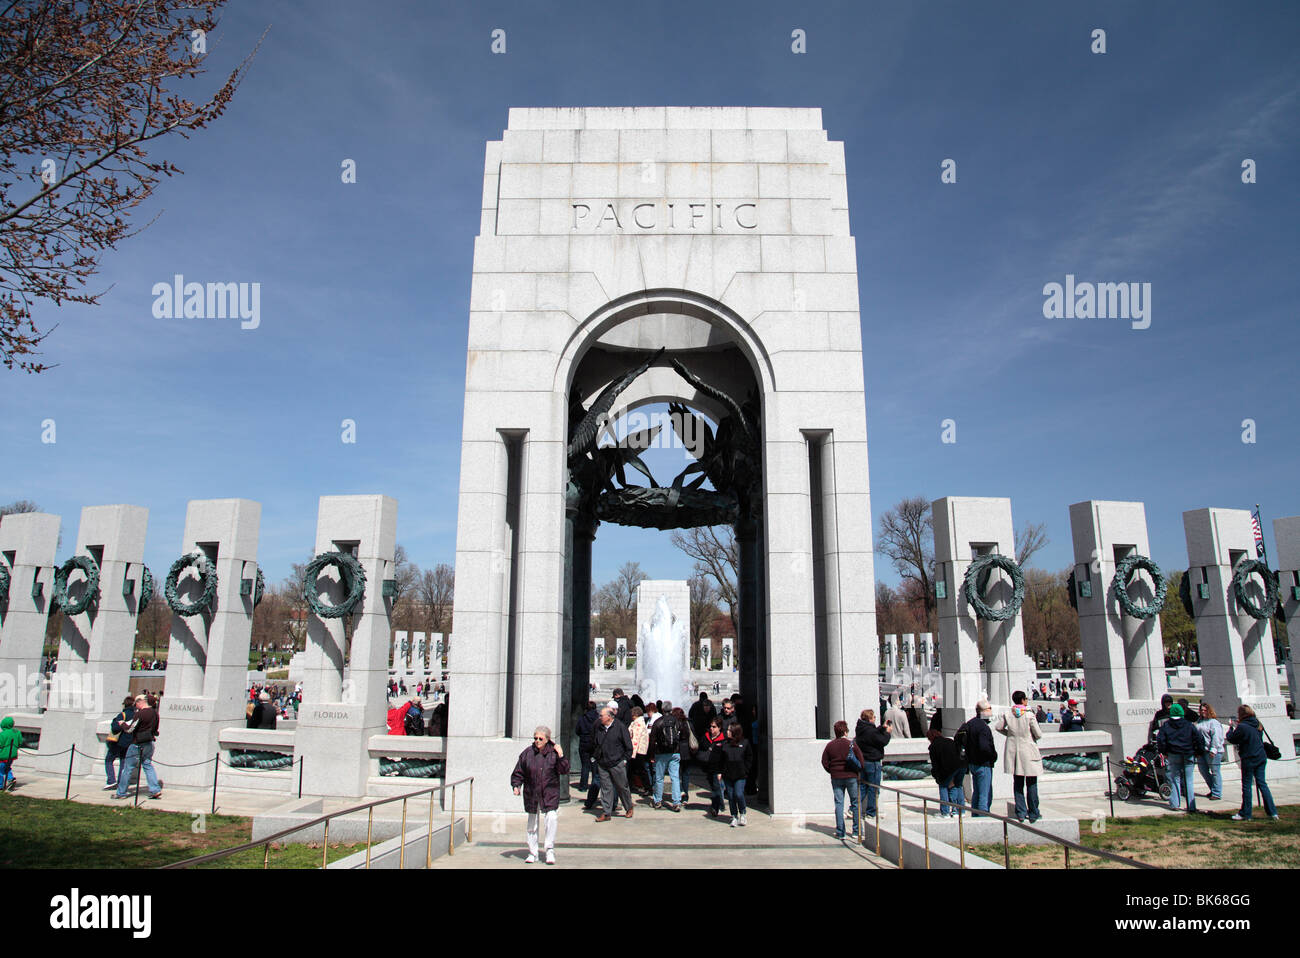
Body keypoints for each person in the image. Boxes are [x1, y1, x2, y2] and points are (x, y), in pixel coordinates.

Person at [511, 726, 570, 864]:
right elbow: (519, 771)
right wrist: (516, 785)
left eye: (540, 739)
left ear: (547, 739)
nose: (537, 741)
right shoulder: (527, 753)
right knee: (532, 823)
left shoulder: (554, 753)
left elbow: (564, 769)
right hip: (531, 793)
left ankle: (549, 850)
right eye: (535, 738)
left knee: (551, 819)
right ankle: (533, 852)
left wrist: (561, 755)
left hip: (549, 793)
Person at [995, 691, 1043, 823]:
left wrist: (1010, 735)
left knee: (1018, 783)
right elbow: (1038, 734)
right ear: (1022, 700)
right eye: (1026, 699)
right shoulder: (1029, 715)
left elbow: (998, 727)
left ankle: (1021, 812)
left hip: (1014, 752)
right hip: (1028, 751)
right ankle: (1033, 812)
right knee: (1032, 783)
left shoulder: (1008, 714)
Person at [1226, 705, 1279, 821]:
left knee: (1247, 786)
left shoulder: (1243, 727)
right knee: (1262, 784)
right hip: (1261, 756)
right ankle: (1272, 812)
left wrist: (1231, 728)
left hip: (1249, 757)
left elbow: (1231, 738)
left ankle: (1246, 813)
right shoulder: (1258, 724)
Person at [1156, 703, 1204, 812]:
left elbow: (1161, 740)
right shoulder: (1189, 725)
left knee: (1174, 779)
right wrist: (1198, 752)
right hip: (1188, 754)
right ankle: (1191, 806)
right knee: (1189, 780)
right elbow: (1198, 739)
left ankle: (1175, 804)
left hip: (1173, 754)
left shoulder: (1166, 726)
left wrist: (1164, 752)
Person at [113, 693, 163, 800]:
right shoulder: (155, 714)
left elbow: (130, 729)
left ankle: (121, 792)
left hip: (137, 744)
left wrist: (122, 723)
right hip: (149, 743)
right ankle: (155, 790)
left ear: (141, 701)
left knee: (128, 768)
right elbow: (155, 730)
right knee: (148, 766)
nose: (135, 705)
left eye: (136, 703)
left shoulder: (140, 714)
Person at [821, 720, 864, 840]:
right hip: (851, 776)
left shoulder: (830, 745)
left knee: (839, 803)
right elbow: (861, 761)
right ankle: (857, 831)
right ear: (845, 731)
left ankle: (840, 832)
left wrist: (832, 770)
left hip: (836, 777)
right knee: (855, 803)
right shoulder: (851, 744)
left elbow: (824, 761)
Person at [591, 706, 634, 821]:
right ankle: (606, 812)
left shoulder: (620, 727)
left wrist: (624, 760)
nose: (599, 717)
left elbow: (628, 746)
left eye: (601, 716)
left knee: (622, 787)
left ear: (609, 717)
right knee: (606, 788)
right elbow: (594, 742)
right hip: (602, 763)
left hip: (617, 762)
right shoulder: (598, 726)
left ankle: (629, 807)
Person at [958, 701, 996, 816]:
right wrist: (993, 756)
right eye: (989, 709)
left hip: (972, 763)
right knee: (985, 794)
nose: (991, 711)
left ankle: (975, 815)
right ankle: (983, 817)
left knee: (977, 793)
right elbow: (984, 747)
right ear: (983, 711)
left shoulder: (970, 723)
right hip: (983, 763)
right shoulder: (983, 727)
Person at [854, 708, 890, 819]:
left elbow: (872, 734)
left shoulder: (860, 729)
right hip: (873, 761)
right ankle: (871, 812)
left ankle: (853, 808)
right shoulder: (870, 731)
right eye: (874, 717)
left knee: (863, 787)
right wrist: (887, 733)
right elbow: (882, 741)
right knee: (873, 788)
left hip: (863, 761)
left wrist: (881, 727)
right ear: (870, 719)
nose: (875, 719)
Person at [651, 706, 689, 811]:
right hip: (675, 753)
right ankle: (676, 802)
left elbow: (652, 739)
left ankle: (658, 801)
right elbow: (684, 735)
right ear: (670, 710)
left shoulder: (658, 722)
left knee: (659, 778)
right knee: (675, 778)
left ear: (662, 710)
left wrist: (651, 754)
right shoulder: (677, 721)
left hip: (661, 753)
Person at [717, 723, 754, 826]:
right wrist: (720, 772)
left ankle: (743, 813)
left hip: (740, 775)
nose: (727, 732)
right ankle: (734, 816)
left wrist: (745, 770)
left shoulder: (745, 743)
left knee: (738, 793)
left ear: (735, 731)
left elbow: (749, 757)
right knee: (731, 796)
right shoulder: (725, 744)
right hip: (728, 774)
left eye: (729, 730)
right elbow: (721, 760)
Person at [927, 728, 964, 817]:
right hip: (961, 765)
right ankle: (959, 811)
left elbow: (935, 765)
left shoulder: (933, 746)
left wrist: (937, 777)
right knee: (957, 785)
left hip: (948, 768)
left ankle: (945, 812)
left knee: (943, 786)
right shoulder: (949, 740)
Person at [104, 695, 136, 791]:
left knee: (109, 760)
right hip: (129, 742)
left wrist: (117, 723)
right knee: (123, 762)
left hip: (118, 742)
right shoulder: (135, 715)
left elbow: (115, 728)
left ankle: (111, 781)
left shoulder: (122, 715)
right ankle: (121, 781)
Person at [1195, 702, 1225, 801]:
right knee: (1203, 770)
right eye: (1201, 710)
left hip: (1213, 751)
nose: (1203, 712)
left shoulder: (1214, 722)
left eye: (1205, 710)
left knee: (1215, 771)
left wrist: (1213, 749)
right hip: (1202, 751)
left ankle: (1217, 792)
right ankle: (1213, 788)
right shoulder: (1199, 721)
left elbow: (1217, 737)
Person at [701, 716, 727, 817]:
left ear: (719, 727)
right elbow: (701, 747)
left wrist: (722, 771)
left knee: (716, 787)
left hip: (718, 768)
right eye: (711, 726)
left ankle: (715, 807)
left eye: (714, 727)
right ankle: (720, 803)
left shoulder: (723, 739)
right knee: (713, 786)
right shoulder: (706, 736)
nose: (711, 729)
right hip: (708, 767)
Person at [575, 700, 600, 795]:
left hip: (584, 744)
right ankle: (594, 786)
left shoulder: (582, 718)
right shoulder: (598, 719)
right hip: (594, 745)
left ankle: (583, 786)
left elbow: (577, 730)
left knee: (585, 766)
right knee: (594, 766)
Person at [627, 705, 651, 794]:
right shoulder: (640, 722)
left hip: (638, 751)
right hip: (639, 750)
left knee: (640, 770)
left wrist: (632, 752)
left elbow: (635, 739)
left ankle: (647, 787)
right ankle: (641, 786)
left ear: (635, 714)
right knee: (636, 770)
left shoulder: (638, 723)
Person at [0, 716, 21, 791]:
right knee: (7, 768)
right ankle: (11, 779)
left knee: (1, 771)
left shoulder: (2, 734)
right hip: (12, 755)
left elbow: (0, 744)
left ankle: (0, 785)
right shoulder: (17, 732)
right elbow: (20, 742)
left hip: (2, 756)